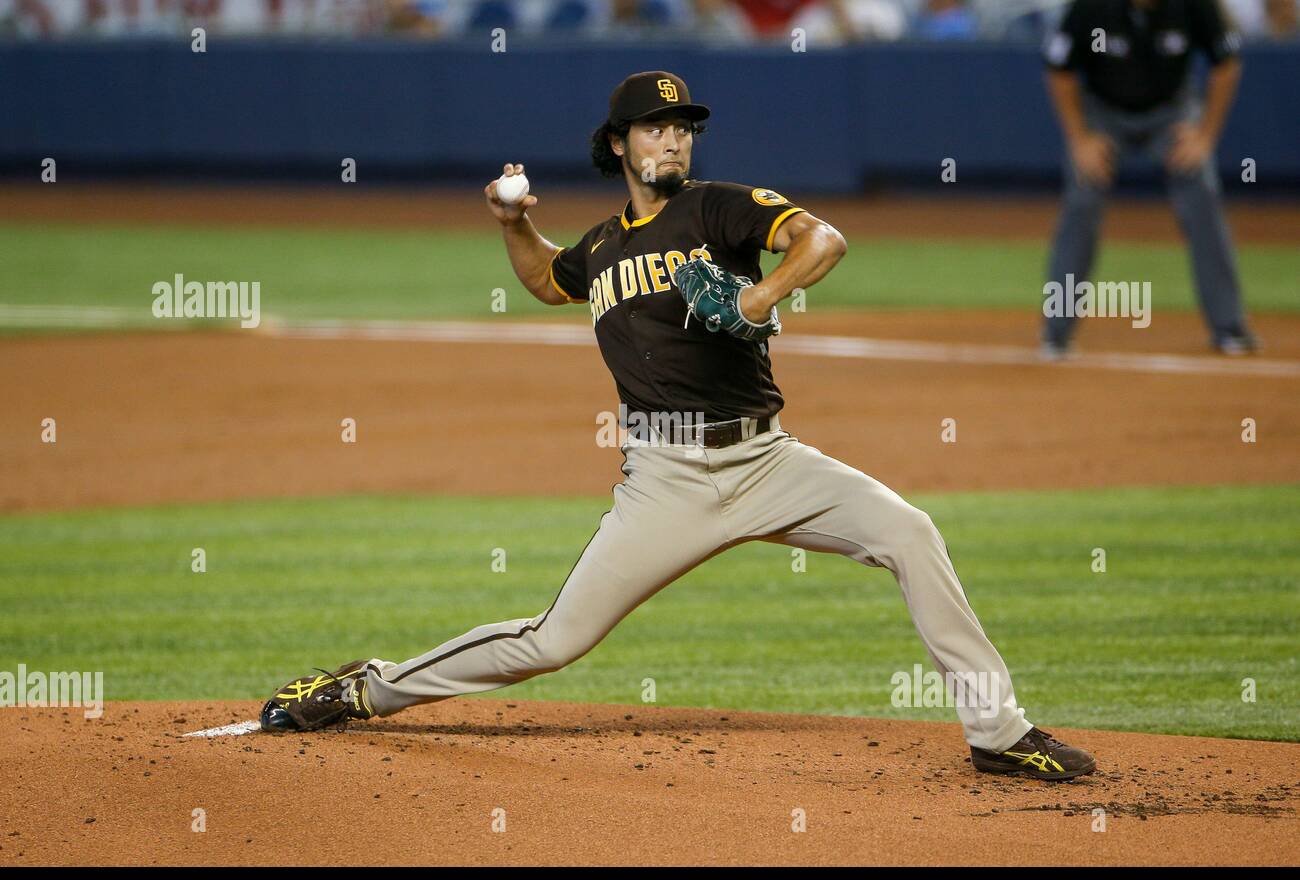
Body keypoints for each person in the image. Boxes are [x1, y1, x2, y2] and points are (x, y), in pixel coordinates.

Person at [260, 70, 1097, 782]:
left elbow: (824, 239)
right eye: (655, 128)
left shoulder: (721, 210)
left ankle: (998, 733)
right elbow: (548, 283)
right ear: (619, 144)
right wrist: (513, 223)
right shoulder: (598, 248)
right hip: (665, 482)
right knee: (552, 641)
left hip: (769, 462)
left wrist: (760, 295)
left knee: (911, 534)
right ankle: (367, 688)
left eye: (683, 127)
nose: (673, 140)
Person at [1041, 0, 1256, 357]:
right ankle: (1056, 333)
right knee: (1082, 200)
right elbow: (1058, 67)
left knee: (1200, 191)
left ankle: (1229, 327)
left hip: (1171, 112)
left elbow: (1227, 63)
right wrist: (1079, 138)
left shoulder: (1195, 6)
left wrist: (1205, 136)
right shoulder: (1091, 8)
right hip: (1104, 113)